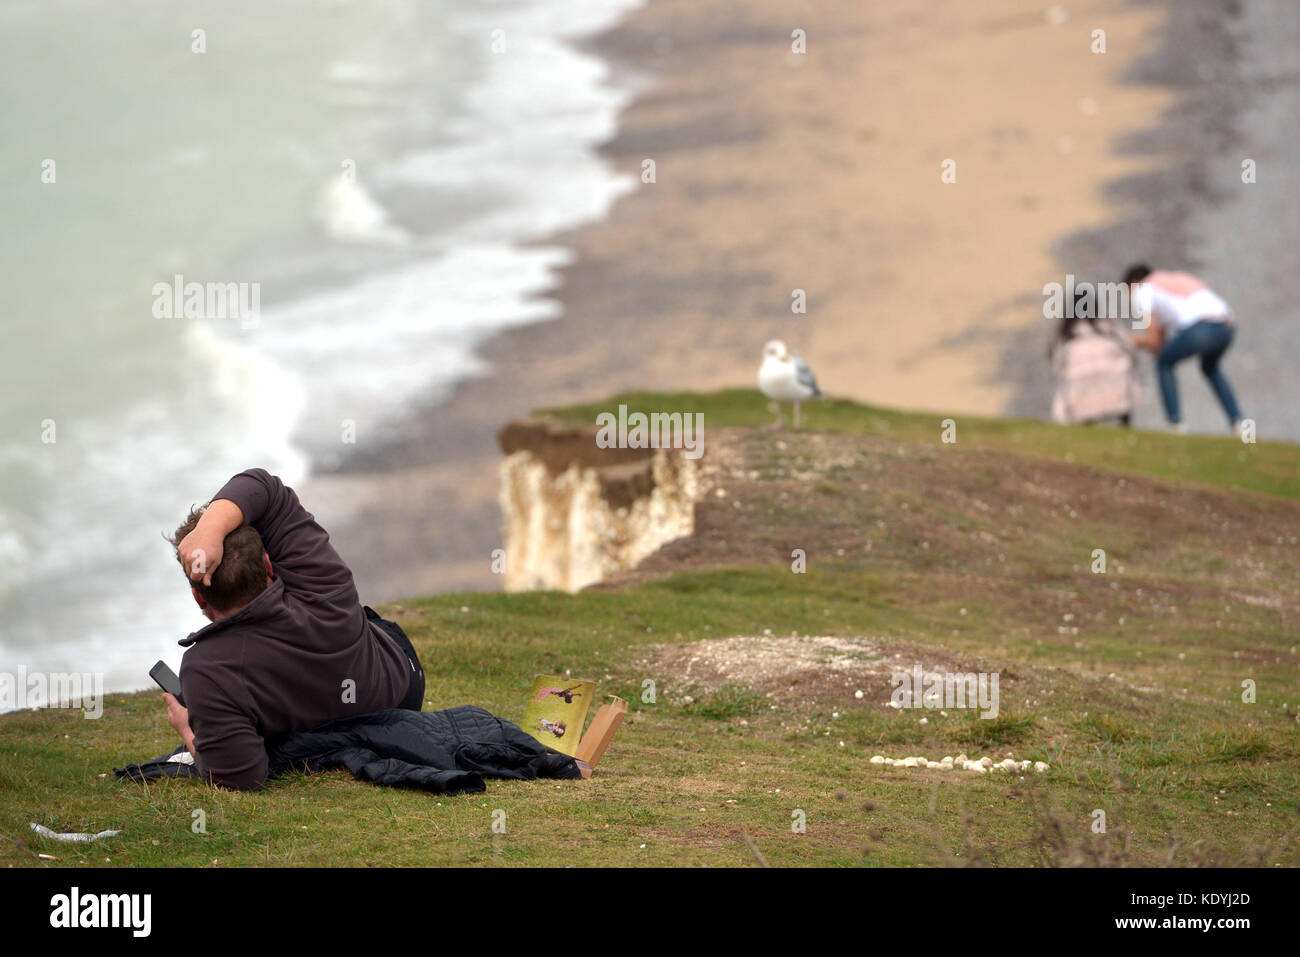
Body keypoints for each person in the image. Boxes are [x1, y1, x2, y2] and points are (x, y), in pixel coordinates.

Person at [163, 468, 425, 791]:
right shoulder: (321, 578)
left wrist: (189, 729)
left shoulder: (207, 671)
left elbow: (238, 779)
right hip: (400, 697)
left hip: (329, 727)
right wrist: (212, 529)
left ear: (198, 597)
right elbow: (265, 488)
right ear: (269, 565)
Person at [1123, 264, 1243, 433]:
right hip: (1226, 327)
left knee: (1164, 363)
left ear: (1133, 283)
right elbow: (1159, 340)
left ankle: (1175, 422)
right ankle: (1238, 422)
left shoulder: (1143, 289)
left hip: (1200, 328)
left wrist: (1129, 340)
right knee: (1210, 367)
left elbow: (1153, 341)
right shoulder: (1176, 279)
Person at [1050, 289, 1139, 426]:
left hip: (1080, 398)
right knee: (1124, 378)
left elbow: (1057, 367)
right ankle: (1125, 427)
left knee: (1072, 387)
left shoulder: (1065, 336)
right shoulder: (1109, 329)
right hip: (1118, 392)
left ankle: (1087, 428)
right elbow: (1132, 352)